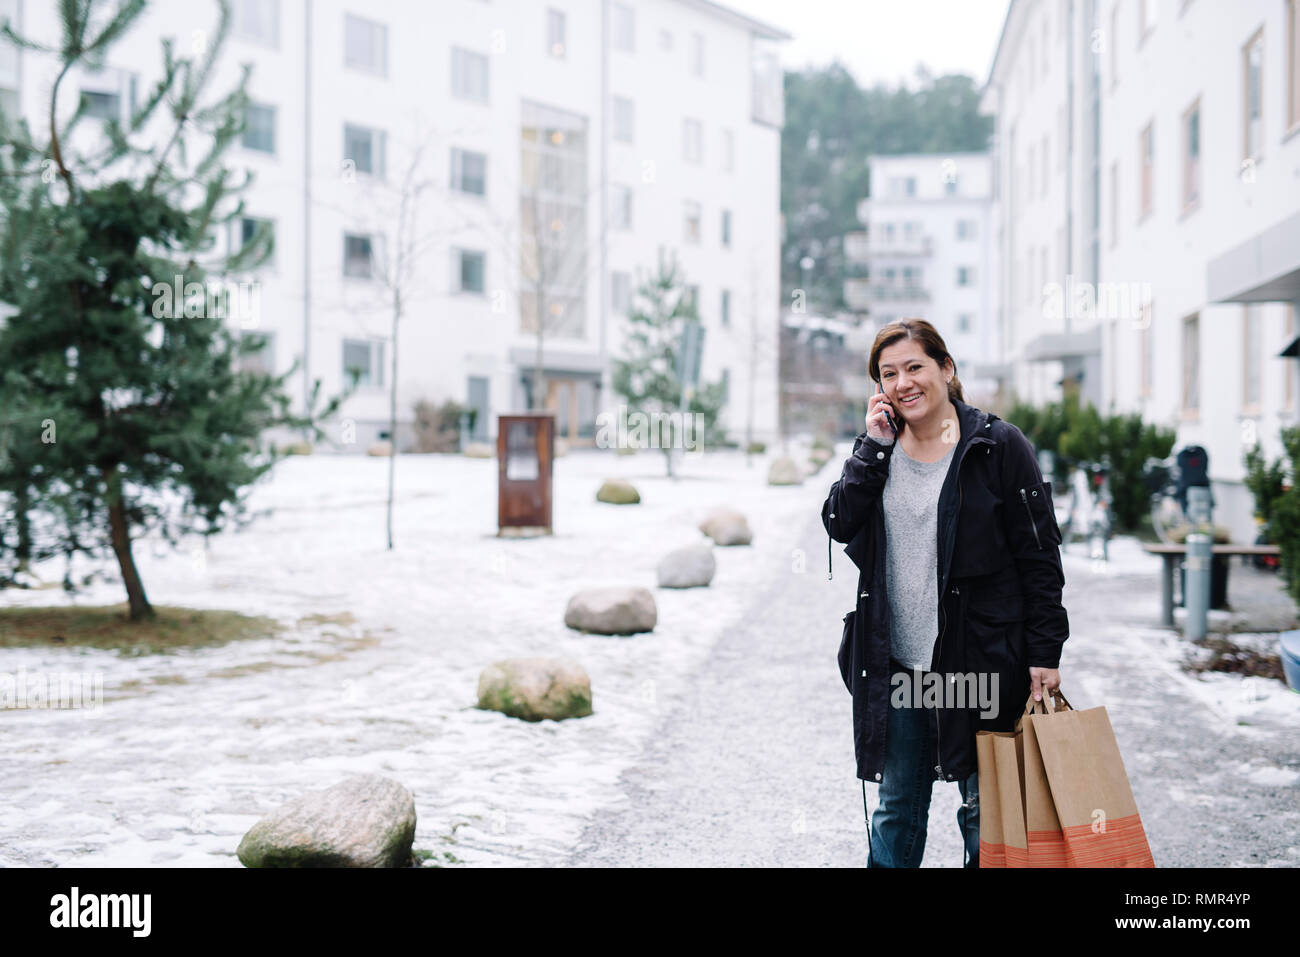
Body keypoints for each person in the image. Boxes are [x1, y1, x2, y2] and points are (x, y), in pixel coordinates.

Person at [822, 319, 1070, 868]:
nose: (903, 382)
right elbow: (839, 520)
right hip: (902, 666)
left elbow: (1039, 555)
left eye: (914, 367)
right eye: (888, 374)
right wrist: (872, 447)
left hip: (979, 663)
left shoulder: (996, 446)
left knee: (987, 811)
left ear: (946, 369)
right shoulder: (880, 451)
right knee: (897, 809)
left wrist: (1044, 653)